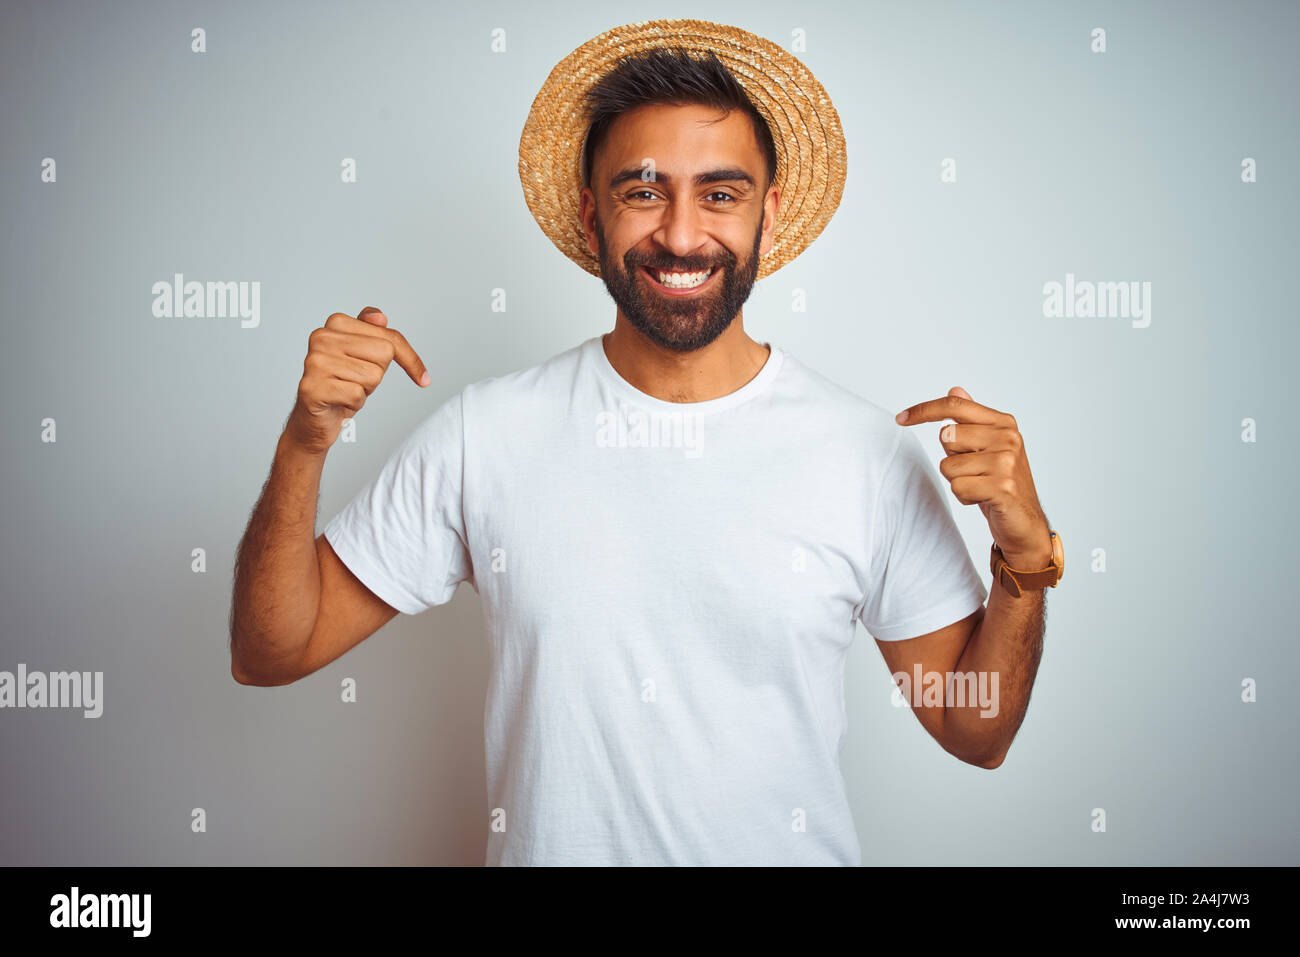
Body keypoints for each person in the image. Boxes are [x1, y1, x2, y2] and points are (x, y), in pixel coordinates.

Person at [229, 20, 1062, 866]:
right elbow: (272, 650)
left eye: (721, 194)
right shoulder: (488, 434)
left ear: (767, 216)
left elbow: (974, 728)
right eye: (642, 191)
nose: (681, 233)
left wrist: (1023, 557)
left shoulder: (864, 456)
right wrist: (306, 442)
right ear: (592, 216)